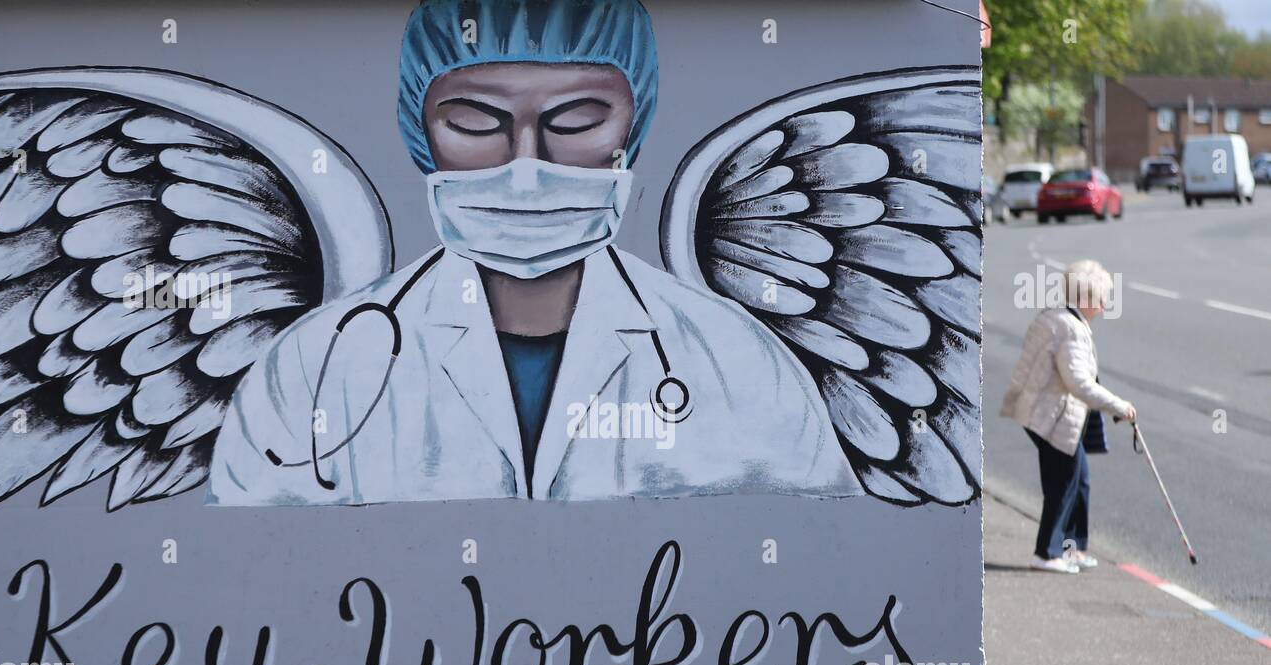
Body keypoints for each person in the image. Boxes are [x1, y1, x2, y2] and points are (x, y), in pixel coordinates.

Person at [207, 0, 854, 506]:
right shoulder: (316, 373)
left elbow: (813, 570)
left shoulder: (738, 369)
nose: (526, 164)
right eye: (475, 122)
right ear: (421, 133)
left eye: (574, 120)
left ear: (633, 129)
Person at [1000, 259, 1136, 574]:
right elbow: (1079, 384)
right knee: (1064, 482)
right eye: (1101, 299)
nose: (1104, 306)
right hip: (1049, 417)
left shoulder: (1056, 317)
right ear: (1086, 299)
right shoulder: (1070, 329)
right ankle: (1047, 554)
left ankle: (1069, 548)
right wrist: (1119, 406)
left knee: (1079, 479)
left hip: (1044, 413)